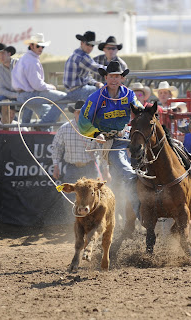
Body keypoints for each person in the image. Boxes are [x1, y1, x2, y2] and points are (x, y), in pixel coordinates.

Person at [78, 60, 145, 219]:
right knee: (126, 173)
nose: (114, 80)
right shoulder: (96, 97)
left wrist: (146, 113)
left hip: (128, 137)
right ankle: (141, 215)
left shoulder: (129, 95)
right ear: (106, 78)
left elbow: (139, 109)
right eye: (111, 76)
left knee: (116, 183)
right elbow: (83, 120)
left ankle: (117, 219)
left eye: (117, 76)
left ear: (122, 78)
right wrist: (96, 134)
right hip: (110, 143)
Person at [52, 100, 101, 215]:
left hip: (89, 167)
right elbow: (56, 147)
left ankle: (93, 221)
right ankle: (73, 222)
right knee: (67, 196)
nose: (82, 115)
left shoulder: (94, 129)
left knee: (95, 196)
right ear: (74, 113)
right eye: (79, 113)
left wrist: (105, 169)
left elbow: (101, 150)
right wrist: (55, 166)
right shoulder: (65, 128)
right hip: (72, 168)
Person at [11, 33, 67, 125]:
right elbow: (37, 85)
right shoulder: (32, 61)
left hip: (23, 95)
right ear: (31, 46)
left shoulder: (25, 58)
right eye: (38, 46)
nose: (40, 48)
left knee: (46, 111)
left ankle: (38, 131)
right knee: (64, 97)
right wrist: (51, 87)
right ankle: (43, 127)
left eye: (42, 46)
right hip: (30, 94)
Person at [63, 31, 105, 103]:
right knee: (107, 91)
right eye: (88, 44)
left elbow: (86, 77)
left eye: (92, 45)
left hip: (74, 91)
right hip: (76, 92)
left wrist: (96, 83)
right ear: (82, 43)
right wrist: (114, 70)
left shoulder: (77, 54)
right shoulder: (82, 57)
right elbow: (97, 68)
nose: (90, 47)